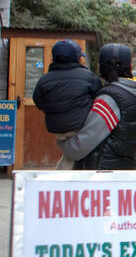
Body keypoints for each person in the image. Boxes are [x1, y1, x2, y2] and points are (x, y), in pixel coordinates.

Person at [55, 43, 136, 170]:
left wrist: (63, 142)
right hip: (124, 173)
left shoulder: (109, 100)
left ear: (99, 67)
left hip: (100, 177)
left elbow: (79, 148)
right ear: (130, 67)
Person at [32, 39, 101, 169]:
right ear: (76, 57)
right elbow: (99, 99)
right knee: (75, 159)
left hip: (57, 128)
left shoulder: (44, 80)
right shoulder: (88, 77)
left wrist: (54, 110)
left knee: (69, 156)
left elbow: (38, 101)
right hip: (81, 126)